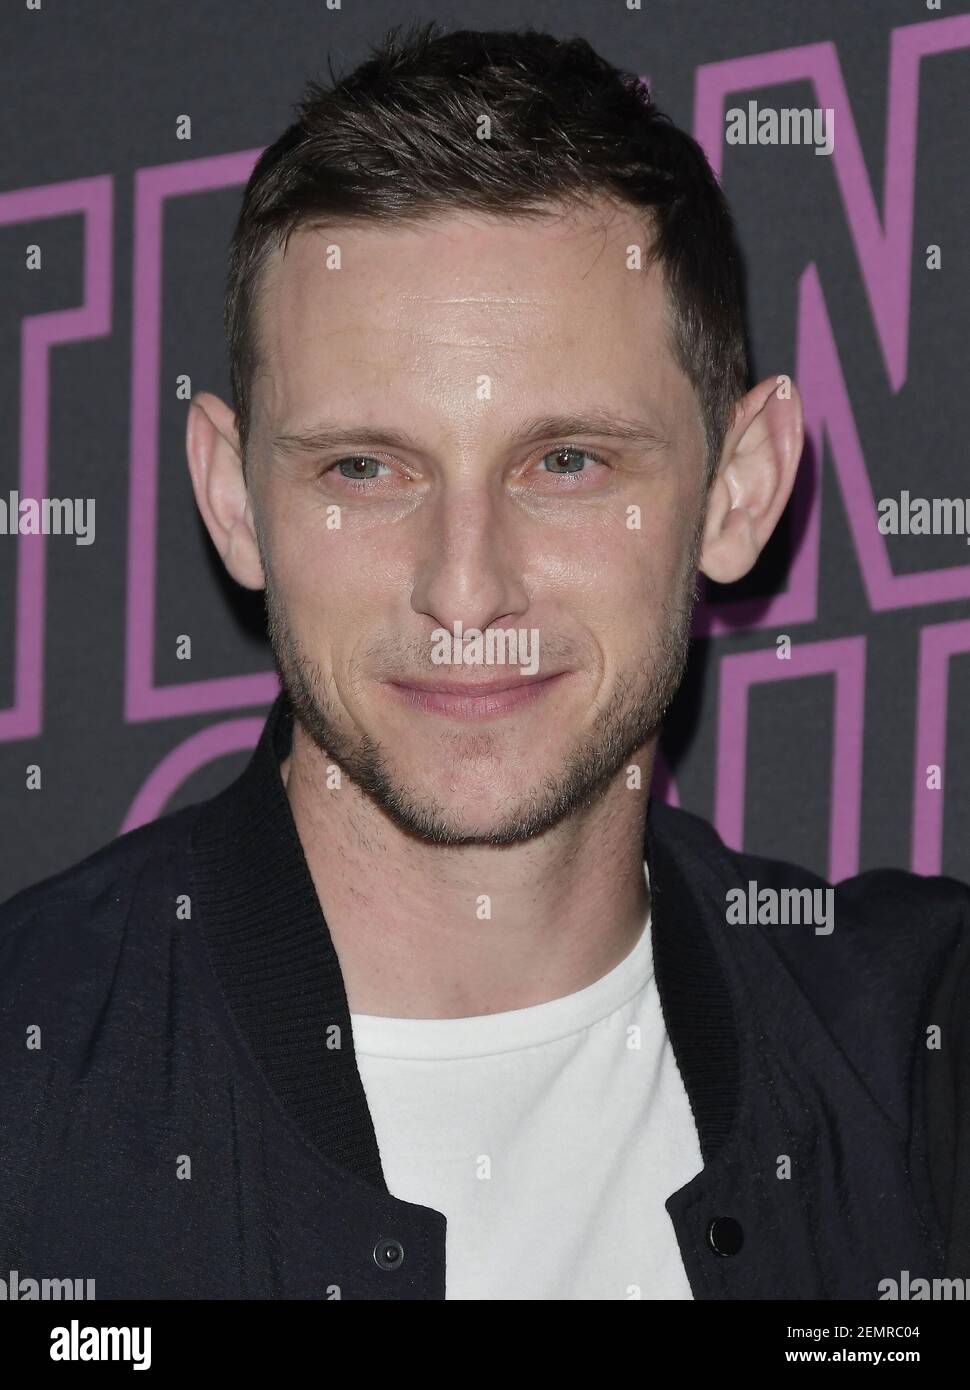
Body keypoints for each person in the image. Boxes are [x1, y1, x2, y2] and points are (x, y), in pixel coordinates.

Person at [1, 20, 967, 1301]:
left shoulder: (920, 1065)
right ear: (233, 500)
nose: (465, 587)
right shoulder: (29, 1081)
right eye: (364, 467)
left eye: (566, 462)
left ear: (739, 488)